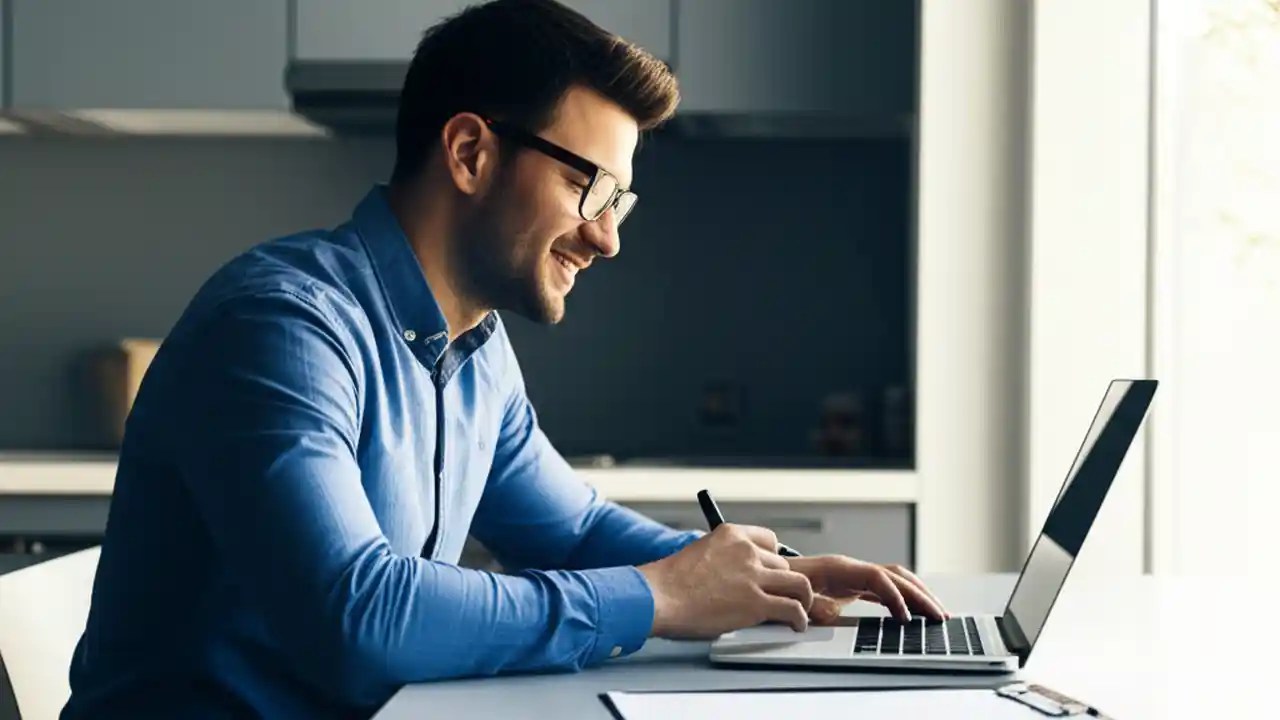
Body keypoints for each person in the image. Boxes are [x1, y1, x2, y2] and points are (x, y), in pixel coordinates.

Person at [62, 1, 947, 718]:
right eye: (586, 185)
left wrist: (757, 577)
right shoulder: (282, 327)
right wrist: (661, 596)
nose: (605, 236)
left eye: (620, 200)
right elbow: (358, 615)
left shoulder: (476, 350)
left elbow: (571, 529)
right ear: (471, 153)